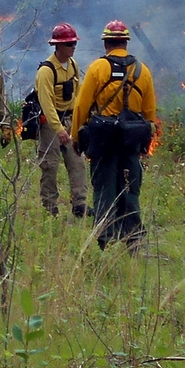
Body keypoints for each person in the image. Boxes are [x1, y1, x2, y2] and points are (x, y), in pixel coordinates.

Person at [71, 20, 157, 251]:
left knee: (104, 189)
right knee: (130, 189)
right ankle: (134, 238)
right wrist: (145, 144)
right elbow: (149, 114)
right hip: (131, 141)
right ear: (126, 42)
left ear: (106, 42)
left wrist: (76, 139)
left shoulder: (98, 68)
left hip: (104, 140)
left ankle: (104, 238)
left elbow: (81, 107)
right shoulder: (143, 70)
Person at [35, 23, 88, 217]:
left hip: (69, 119)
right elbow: (46, 103)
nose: (73, 47)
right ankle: (50, 208)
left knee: (77, 161)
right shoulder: (46, 71)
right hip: (51, 123)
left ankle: (80, 204)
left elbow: (77, 92)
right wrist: (59, 129)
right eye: (69, 44)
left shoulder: (73, 65)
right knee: (50, 164)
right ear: (58, 46)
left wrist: (79, 120)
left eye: (74, 43)